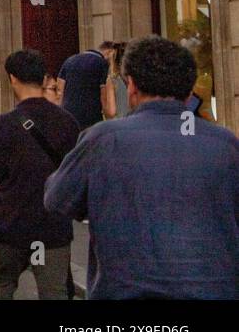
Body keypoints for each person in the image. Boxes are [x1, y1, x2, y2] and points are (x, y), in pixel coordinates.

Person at [45, 35, 239, 298]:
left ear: (132, 86)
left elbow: (57, 199)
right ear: (189, 89)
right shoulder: (226, 145)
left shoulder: (103, 139)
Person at [0, 49, 80, 299]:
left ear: (13, 78)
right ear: (44, 78)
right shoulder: (67, 122)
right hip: (52, 223)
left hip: (12, 221)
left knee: (1, 284)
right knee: (54, 291)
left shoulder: (5, 124)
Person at [57, 47, 108, 130]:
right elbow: (104, 94)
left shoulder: (68, 61)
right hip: (92, 116)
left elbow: (60, 89)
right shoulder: (102, 63)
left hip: (69, 114)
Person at [99, 40, 128, 120]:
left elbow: (111, 111)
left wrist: (103, 101)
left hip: (119, 123)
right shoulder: (137, 79)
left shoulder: (112, 80)